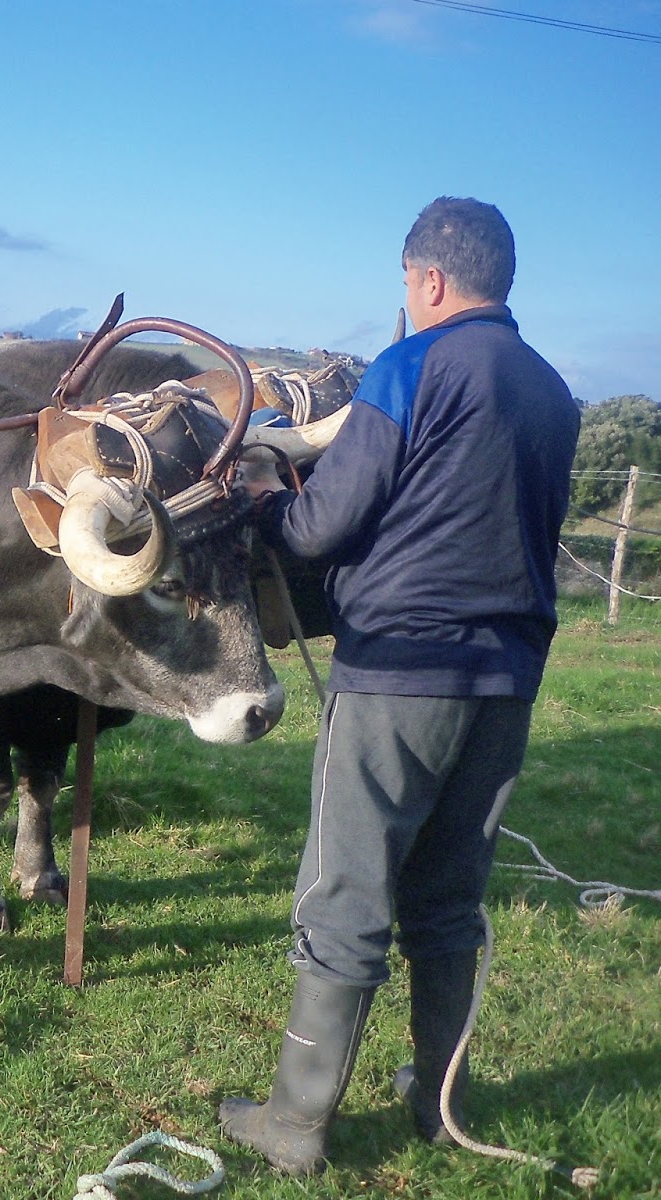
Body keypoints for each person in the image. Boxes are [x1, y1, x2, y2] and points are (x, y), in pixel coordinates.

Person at [218, 197, 581, 1175]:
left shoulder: (410, 364)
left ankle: (295, 1124)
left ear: (428, 279)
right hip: (506, 680)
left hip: (395, 675)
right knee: (448, 899)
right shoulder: (554, 392)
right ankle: (437, 1100)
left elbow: (322, 525)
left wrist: (266, 502)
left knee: (344, 894)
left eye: (408, 284)